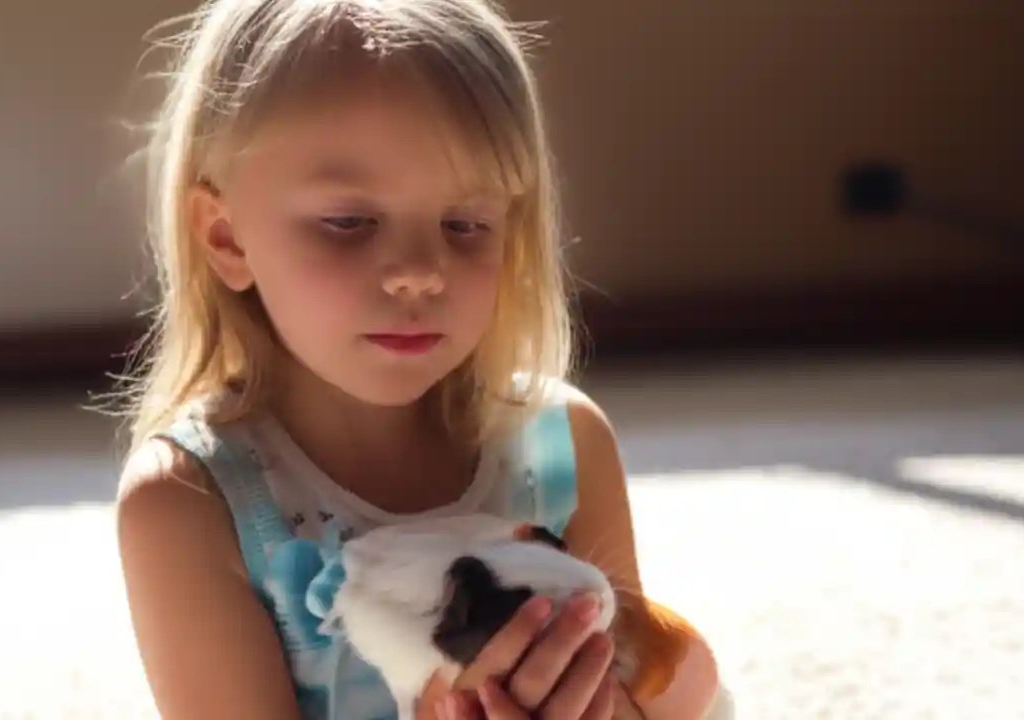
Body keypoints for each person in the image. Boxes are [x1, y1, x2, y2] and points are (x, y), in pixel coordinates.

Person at [112, 1, 720, 718]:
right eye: (349, 222)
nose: (418, 272)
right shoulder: (188, 502)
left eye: (465, 224)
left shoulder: (562, 442)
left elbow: (639, 689)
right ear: (227, 238)